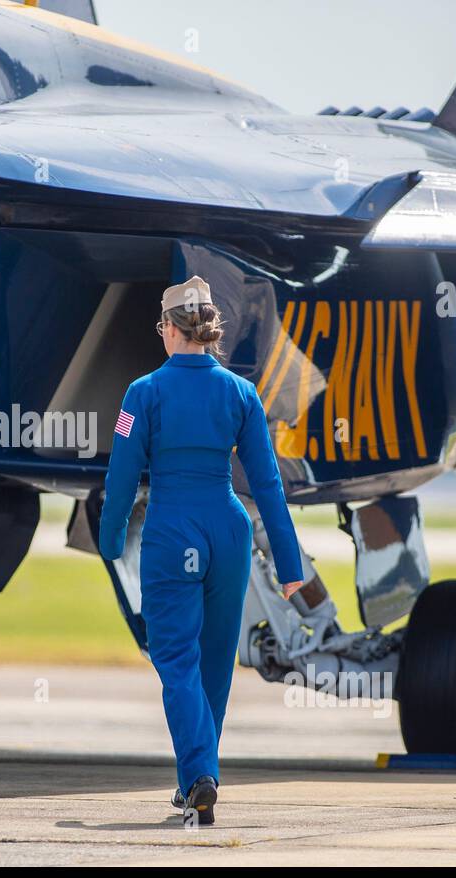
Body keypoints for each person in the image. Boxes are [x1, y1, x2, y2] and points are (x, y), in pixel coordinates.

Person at [100, 276, 304, 826]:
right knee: (214, 663)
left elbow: (121, 474)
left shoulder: (138, 396)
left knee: (174, 660)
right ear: (210, 330)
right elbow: (268, 486)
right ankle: (196, 778)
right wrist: (289, 566)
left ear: (169, 329)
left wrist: (110, 538)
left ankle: (199, 777)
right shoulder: (243, 395)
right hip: (229, 531)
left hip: (171, 532)